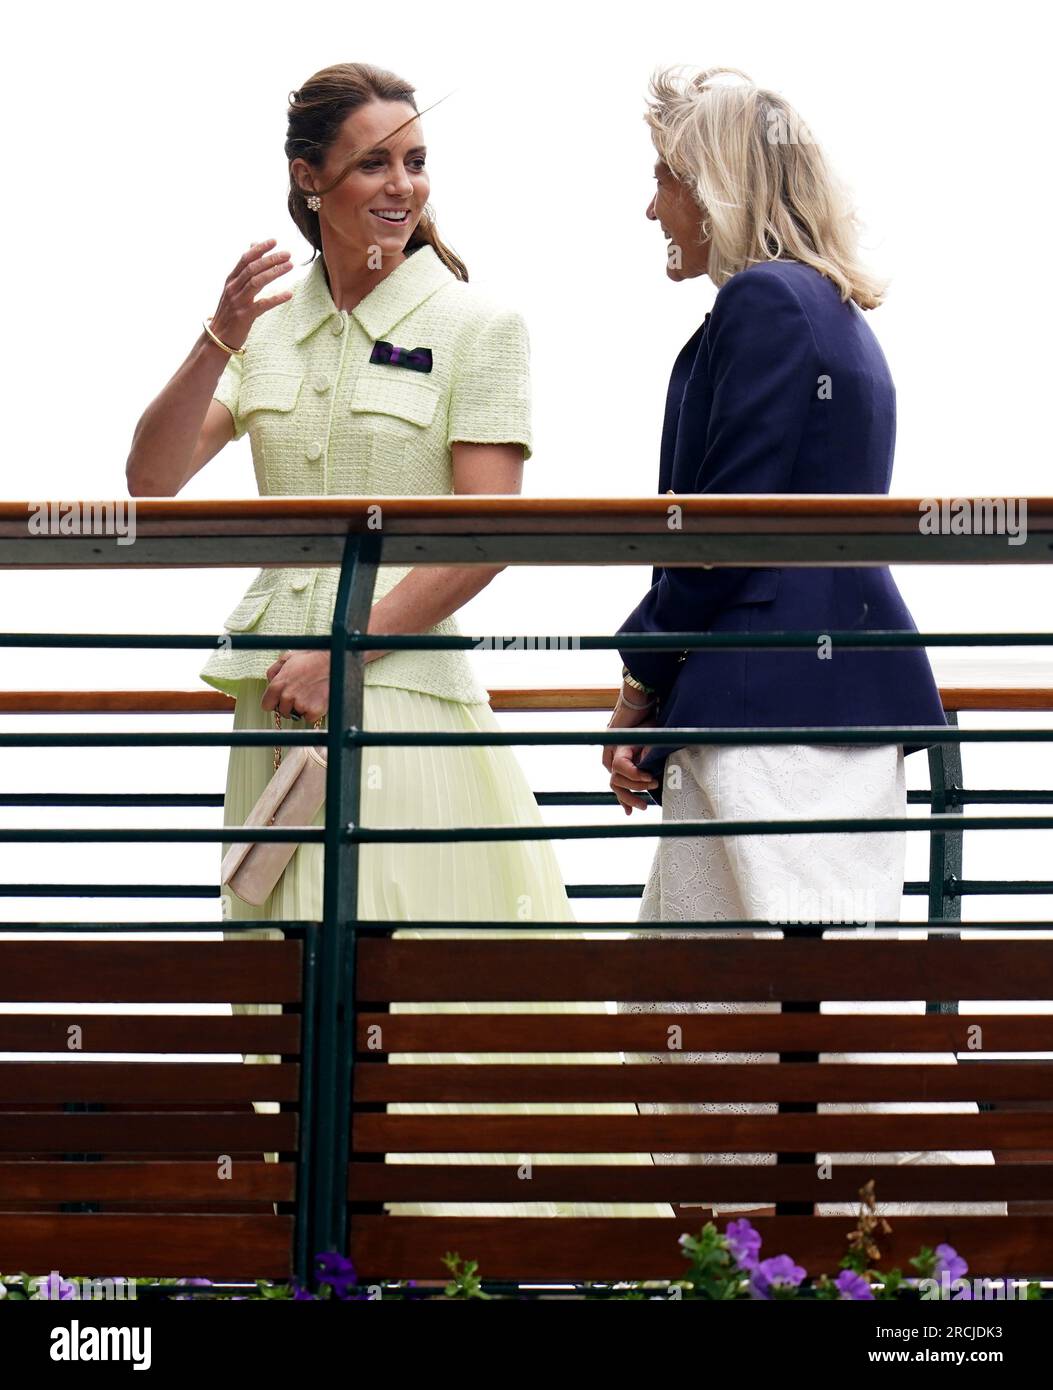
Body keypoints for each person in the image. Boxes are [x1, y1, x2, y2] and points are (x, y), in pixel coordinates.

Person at [126, 61, 666, 1219]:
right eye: (374, 160)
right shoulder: (267, 337)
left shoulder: (479, 321)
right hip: (275, 716)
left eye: (414, 160)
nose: (401, 183)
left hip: (406, 713)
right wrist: (214, 337)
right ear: (307, 178)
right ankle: (332, 1254)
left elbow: (486, 531)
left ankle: (489, 1263)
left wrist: (347, 647)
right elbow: (151, 478)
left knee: (423, 988)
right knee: (282, 988)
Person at [604, 65, 1005, 1219]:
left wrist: (643, 681)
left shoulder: (766, 304)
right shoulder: (824, 304)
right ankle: (848, 1251)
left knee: (774, 1012)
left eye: (666, 180)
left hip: (772, 705)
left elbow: (727, 524)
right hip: (815, 699)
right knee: (778, 1004)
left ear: (714, 180)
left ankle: (939, 1252)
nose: (654, 210)